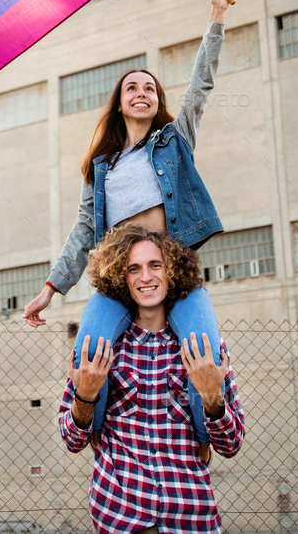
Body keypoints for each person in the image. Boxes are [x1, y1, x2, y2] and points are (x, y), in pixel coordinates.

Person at [25, 0, 232, 455]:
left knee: (204, 350)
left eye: (150, 89)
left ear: (157, 101)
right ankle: (96, 434)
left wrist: (217, 16)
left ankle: (203, 441)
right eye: (131, 88)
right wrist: (52, 287)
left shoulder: (173, 142)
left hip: (173, 266)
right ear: (120, 104)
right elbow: (82, 231)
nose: (142, 93)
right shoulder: (103, 167)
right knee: (89, 352)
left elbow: (200, 88)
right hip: (120, 273)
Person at [59, 223, 244, 534]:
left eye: (155, 265)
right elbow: (73, 440)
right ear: (121, 277)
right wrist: (85, 397)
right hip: (121, 517)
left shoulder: (205, 348)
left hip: (191, 518)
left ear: (171, 271)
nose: (146, 277)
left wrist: (212, 396)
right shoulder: (102, 347)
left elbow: (231, 444)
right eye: (134, 269)